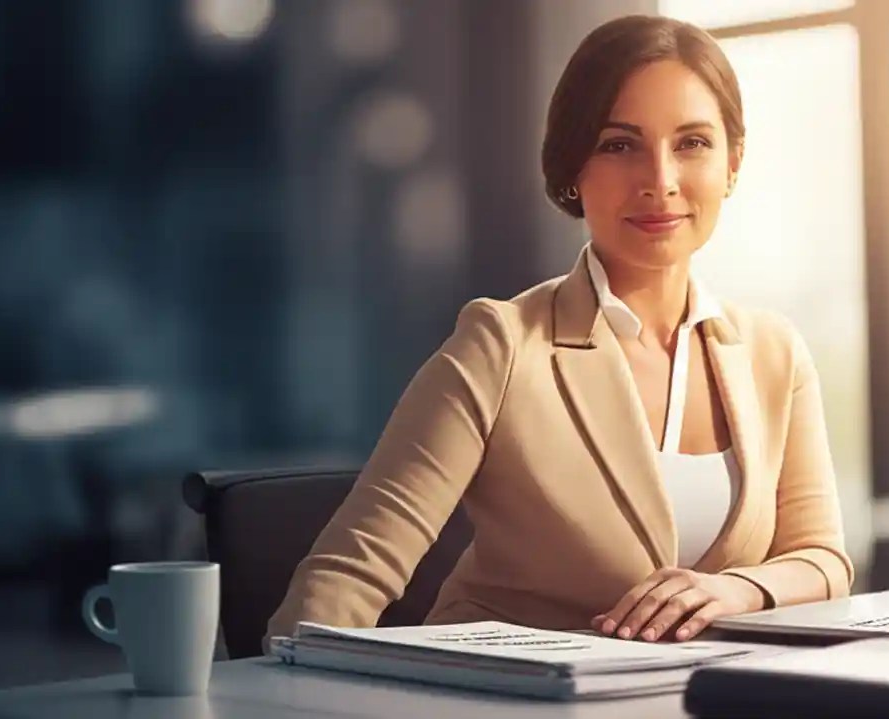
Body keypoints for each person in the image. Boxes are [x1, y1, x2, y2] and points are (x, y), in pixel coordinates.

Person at [266, 14, 851, 648]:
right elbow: (352, 573)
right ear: (573, 166)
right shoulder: (502, 345)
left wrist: (736, 589)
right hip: (506, 703)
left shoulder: (773, 353)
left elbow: (822, 559)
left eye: (692, 143)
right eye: (620, 144)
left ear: (732, 164)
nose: (661, 180)